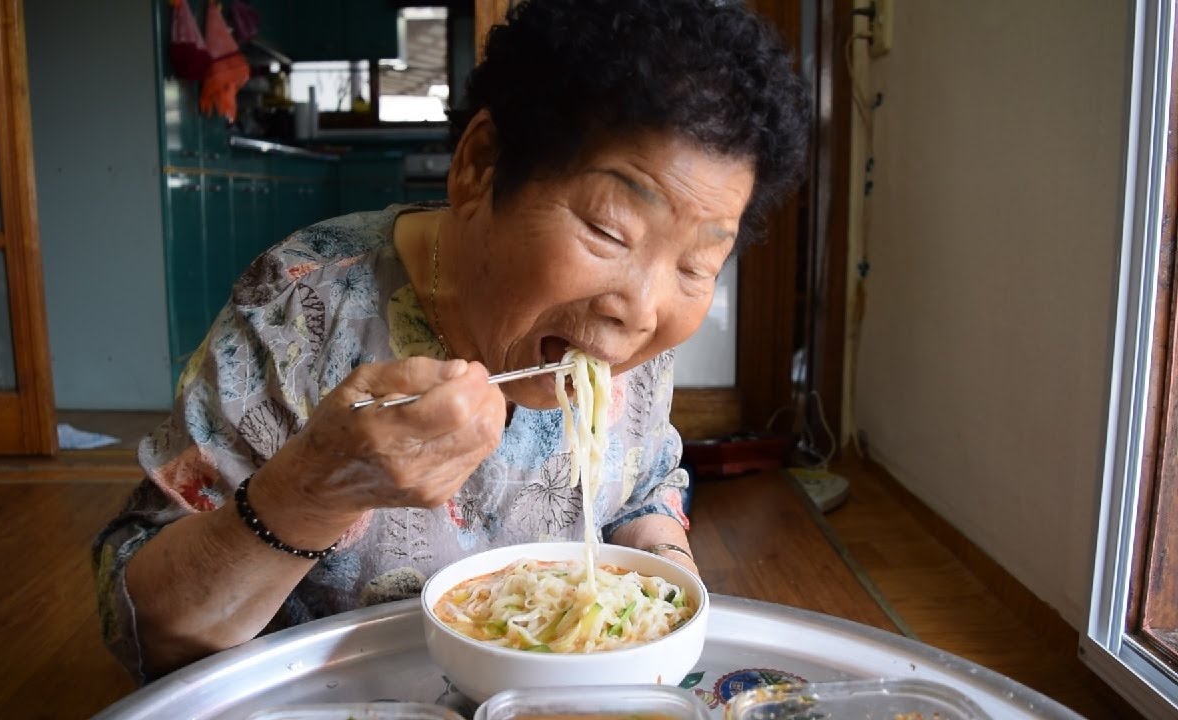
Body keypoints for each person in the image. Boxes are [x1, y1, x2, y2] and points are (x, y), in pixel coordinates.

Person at [94, 0, 809, 683]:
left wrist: (662, 593)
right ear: (479, 165)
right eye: (607, 230)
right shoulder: (303, 308)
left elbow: (643, 490)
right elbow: (151, 636)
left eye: (694, 265)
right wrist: (310, 489)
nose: (642, 310)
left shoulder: (620, 337)